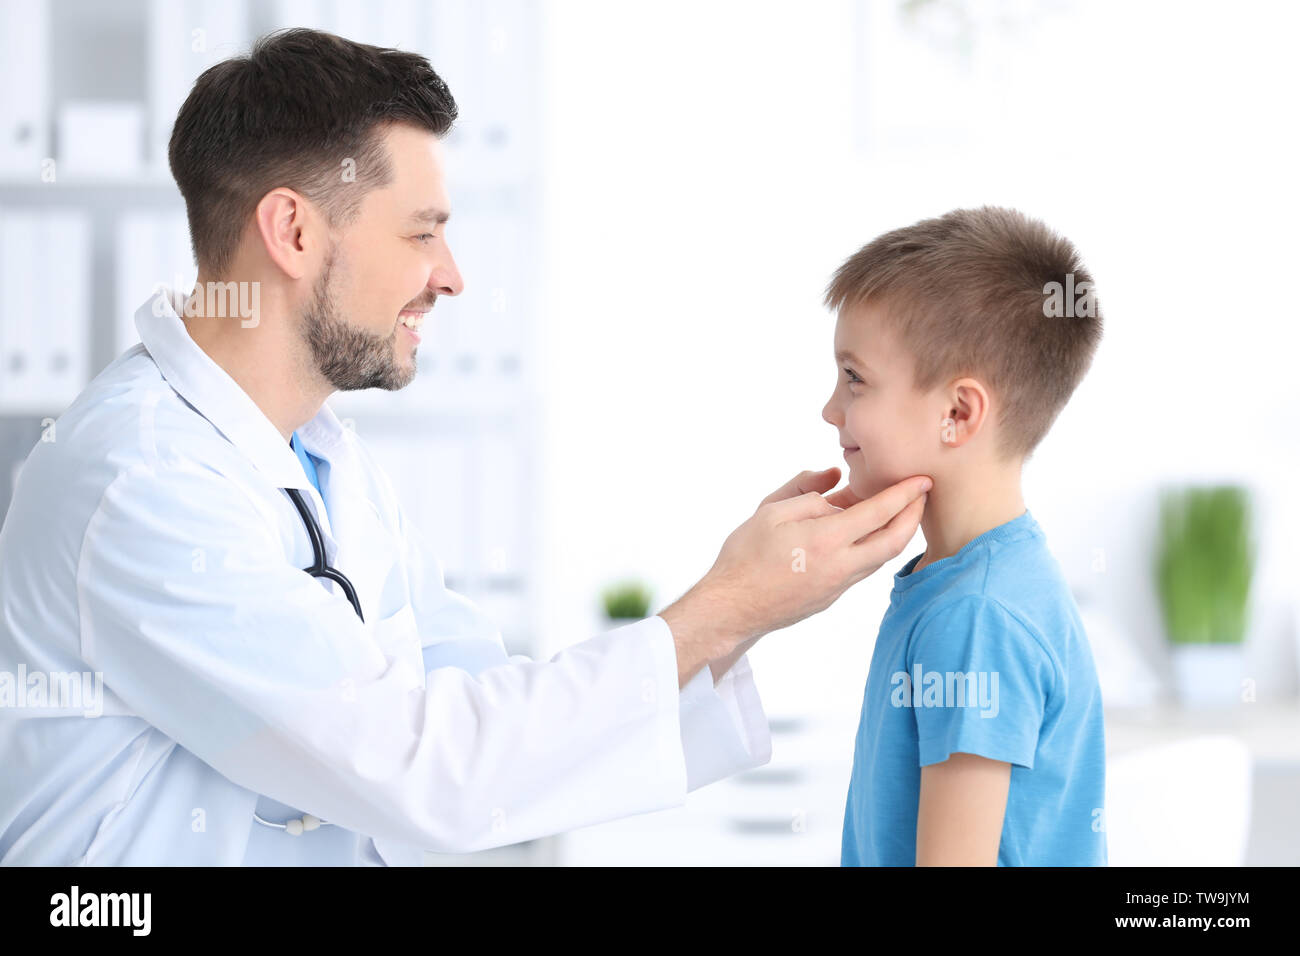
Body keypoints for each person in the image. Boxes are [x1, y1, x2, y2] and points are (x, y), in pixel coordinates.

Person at [0, 28, 931, 865]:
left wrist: (747, 610)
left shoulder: (318, 459)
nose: (450, 277)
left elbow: (482, 714)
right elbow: (425, 771)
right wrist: (727, 605)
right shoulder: (143, 479)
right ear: (291, 231)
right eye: (422, 233)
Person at [826, 206, 1108, 866]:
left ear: (958, 413)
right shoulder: (977, 584)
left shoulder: (975, 616)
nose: (831, 409)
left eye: (854, 378)